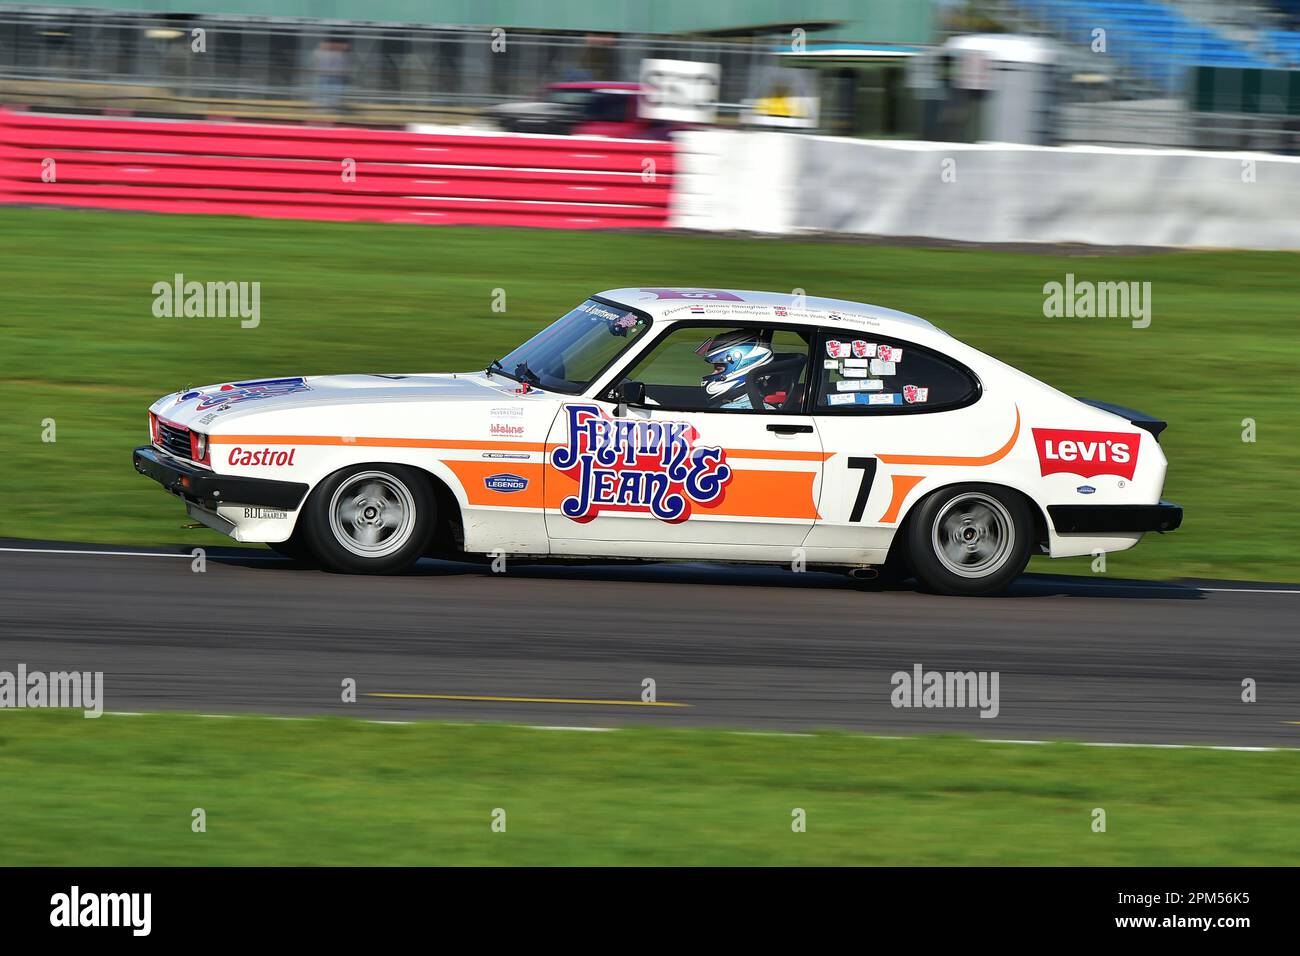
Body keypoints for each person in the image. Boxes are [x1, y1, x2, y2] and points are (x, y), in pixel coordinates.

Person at [696, 329, 774, 409]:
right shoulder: (760, 406)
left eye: (718, 369)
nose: (713, 373)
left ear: (743, 366)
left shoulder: (731, 410)